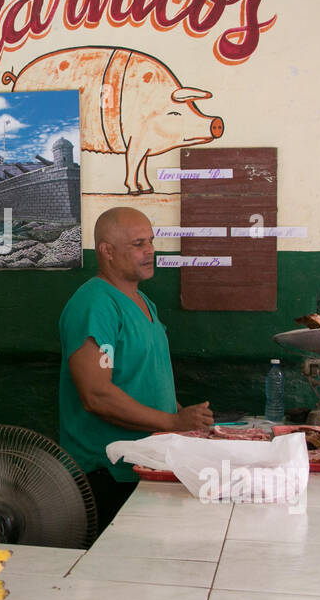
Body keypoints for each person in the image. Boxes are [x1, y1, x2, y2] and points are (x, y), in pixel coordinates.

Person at [59, 206, 213, 533]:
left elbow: (142, 380)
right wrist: (172, 421)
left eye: (151, 242)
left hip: (146, 466)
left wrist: (186, 419)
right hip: (107, 474)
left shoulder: (145, 303)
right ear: (107, 251)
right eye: (138, 243)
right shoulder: (96, 303)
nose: (150, 251)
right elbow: (97, 395)